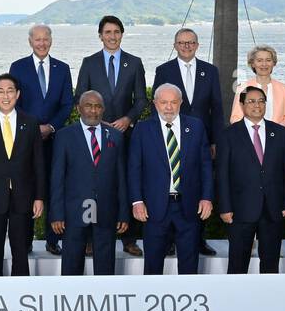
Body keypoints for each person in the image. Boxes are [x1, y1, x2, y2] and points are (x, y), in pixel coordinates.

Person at [75, 15, 146, 257]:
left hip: (125, 135)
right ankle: (90, 239)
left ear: (122, 34)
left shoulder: (134, 63)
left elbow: (142, 100)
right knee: (93, 184)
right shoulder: (89, 62)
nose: (112, 36)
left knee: (127, 182)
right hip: (96, 134)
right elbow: (80, 98)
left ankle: (129, 238)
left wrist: (128, 119)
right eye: (108, 32)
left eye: (116, 32)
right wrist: (99, 121)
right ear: (100, 35)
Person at [152, 27, 224, 256]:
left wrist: (215, 140)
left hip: (199, 141)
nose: (186, 46)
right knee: (169, 186)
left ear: (197, 45)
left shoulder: (210, 71)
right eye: (182, 42)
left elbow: (217, 108)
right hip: (172, 137)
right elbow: (157, 107)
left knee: (196, 187)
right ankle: (169, 240)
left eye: (191, 42)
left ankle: (199, 240)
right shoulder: (163, 70)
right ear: (175, 45)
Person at [128, 84, 213, 274]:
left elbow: (205, 166)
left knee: (190, 265)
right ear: (155, 104)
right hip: (154, 207)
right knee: (152, 265)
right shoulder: (142, 130)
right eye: (164, 102)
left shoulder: (196, 126)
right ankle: (151, 301)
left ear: (181, 103)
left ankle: (189, 299)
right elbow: (134, 169)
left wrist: (207, 198)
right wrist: (137, 201)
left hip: (189, 207)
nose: (169, 107)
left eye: (173, 102)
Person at [0, 74, 45, 276]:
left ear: (18, 94)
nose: (5, 96)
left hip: (23, 196)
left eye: (10, 91)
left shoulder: (30, 123)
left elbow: (38, 163)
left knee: (21, 250)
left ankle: (21, 294)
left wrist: (39, 197)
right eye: (1, 91)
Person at [218, 85, 285, 274]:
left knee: (270, 263)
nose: (257, 105)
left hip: (273, 208)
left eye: (261, 101)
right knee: (237, 263)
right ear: (242, 105)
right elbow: (222, 175)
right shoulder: (229, 135)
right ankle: (236, 301)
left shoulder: (279, 133)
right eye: (251, 101)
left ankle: (268, 301)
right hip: (240, 210)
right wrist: (224, 207)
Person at [10, 24, 74, 256]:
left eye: (45, 39)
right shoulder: (18, 67)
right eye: (37, 39)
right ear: (30, 42)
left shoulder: (63, 68)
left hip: (56, 138)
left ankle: (52, 239)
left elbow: (68, 103)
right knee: (26, 189)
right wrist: (31, 128)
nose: (42, 43)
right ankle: (25, 240)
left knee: (54, 187)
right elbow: (13, 102)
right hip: (27, 139)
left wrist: (51, 126)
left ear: (51, 40)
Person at [50, 90, 129, 275]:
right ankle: (70, 300)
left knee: (105, 265)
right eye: (88, 105)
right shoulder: (64, 136)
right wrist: (57, 213)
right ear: (78, 109)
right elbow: (57, 178)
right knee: (71, 264)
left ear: (103, 110)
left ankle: (104, 300)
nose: (93, 111)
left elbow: (121, 178)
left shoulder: (115, 136)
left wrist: (123, 213)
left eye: (98, 106)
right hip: (74, 211)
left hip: (106, 211)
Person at [229, 45, 285, 129]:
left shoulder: (284, 89)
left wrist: (277, 131)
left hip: (276, 138)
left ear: (273, 63)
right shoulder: (242, 88)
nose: (264, 64)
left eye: (268, 60)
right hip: (249, 138)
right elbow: (235, 117)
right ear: (252, 63)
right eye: (259, 60)